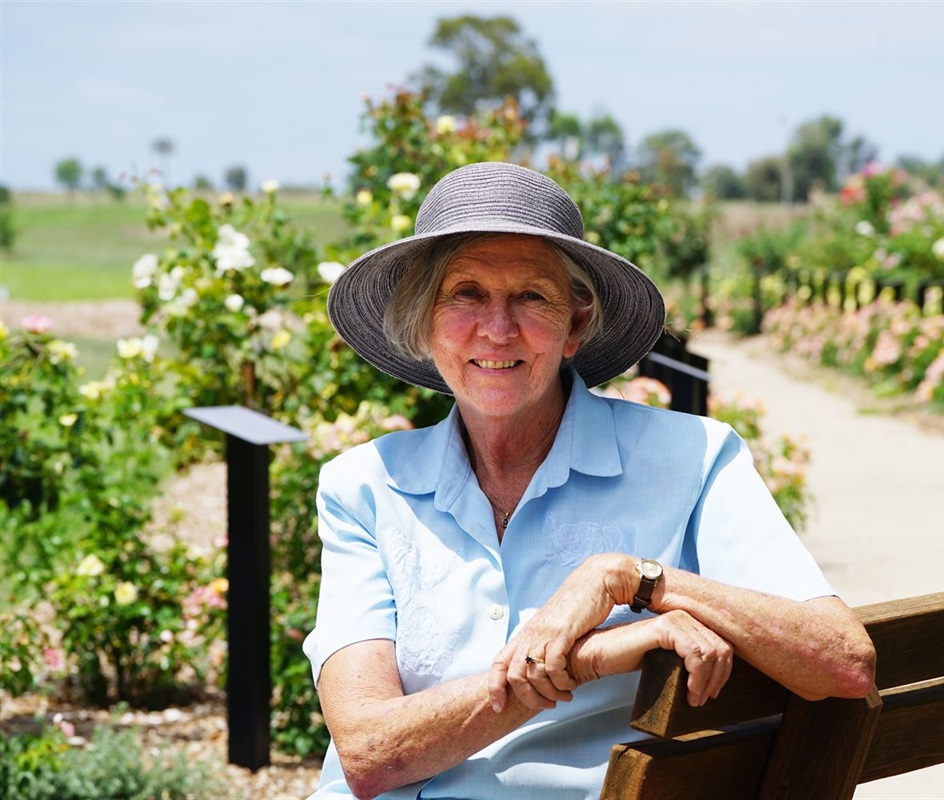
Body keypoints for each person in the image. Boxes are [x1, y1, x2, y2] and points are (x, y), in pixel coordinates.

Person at [304, 161, 876, 800]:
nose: (497, 329)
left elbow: (844, 662)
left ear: (576, 324)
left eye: (531, 296)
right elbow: (368, 753)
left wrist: (629, 578)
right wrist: (592, 656)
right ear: (425, 322)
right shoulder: (363, 485)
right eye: (465, 294)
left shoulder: (694, 457)